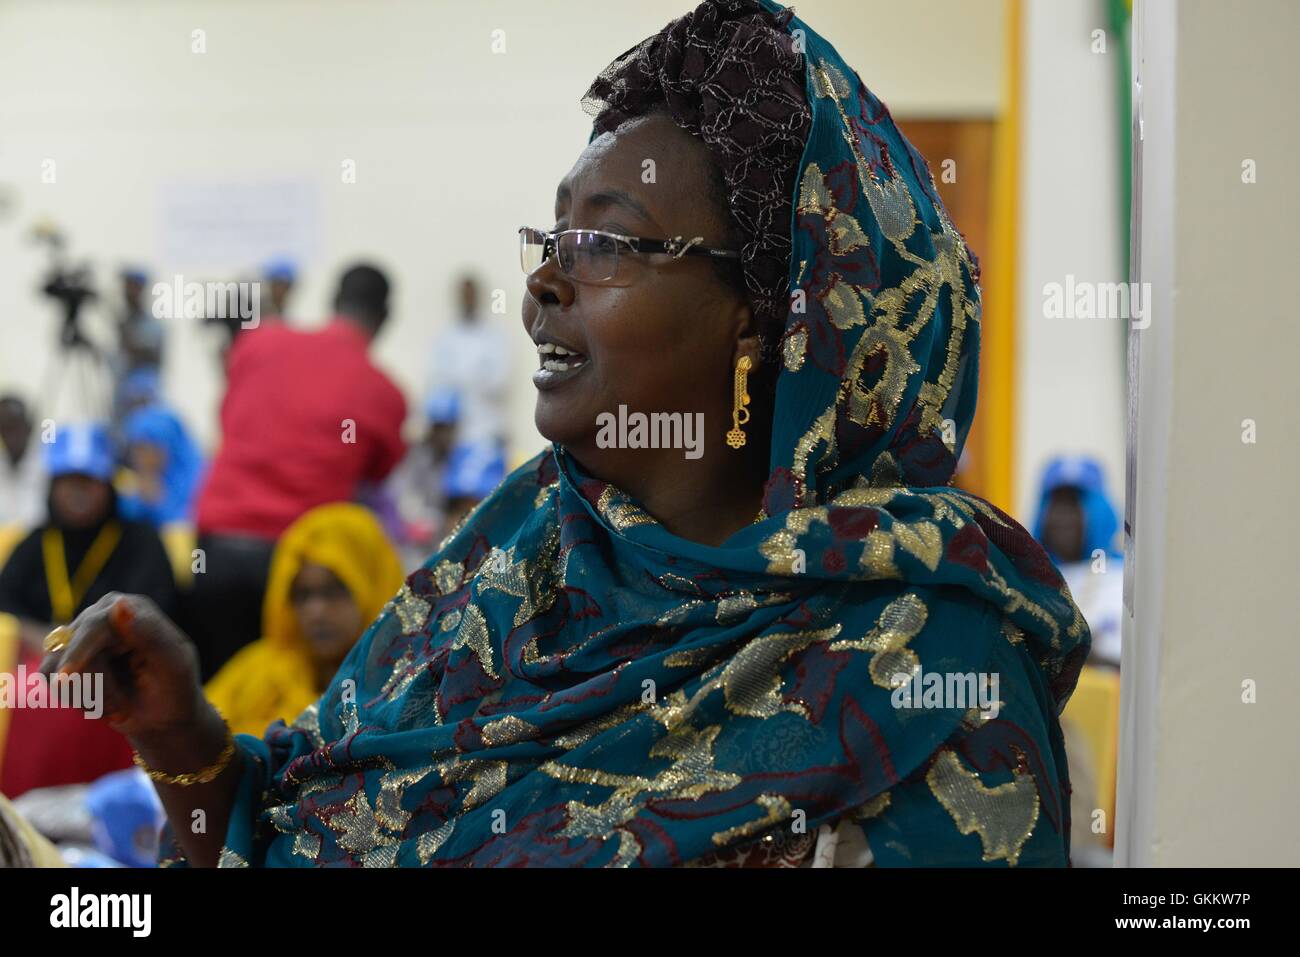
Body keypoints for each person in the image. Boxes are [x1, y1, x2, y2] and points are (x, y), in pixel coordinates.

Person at [40, 0, 1087, 868]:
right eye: (552, 236)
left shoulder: (925, 663)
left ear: (768, 321)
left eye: (606, 244)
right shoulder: (509, 564)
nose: (543, 280)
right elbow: (287, 833)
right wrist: (178, 732)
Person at [186, 263, 407, 680]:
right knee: (287, 706)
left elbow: (228, 418)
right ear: (385, 318)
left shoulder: (258, 343)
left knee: (218, 698)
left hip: (213, 551)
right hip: (297, 570)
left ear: (332, 300)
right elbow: (375, 476)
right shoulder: (384, 392)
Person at [0, 422, 176, 797]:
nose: (78, 492)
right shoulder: (35, 542)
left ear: (108, 485)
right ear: (52, 486)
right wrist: (49, 642)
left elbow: (155, 612)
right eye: (68, 481)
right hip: (38, 671)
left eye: (89, 481)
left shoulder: (140, 540)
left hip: (118, 668)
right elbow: (6, 603)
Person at [206, 503, 404, 737]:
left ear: (375, 585)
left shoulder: (406, 686)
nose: (315, 612)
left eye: (334, 590)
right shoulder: (258, 676)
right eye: (302, 595)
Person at [1032, 455, 1122, 665]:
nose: (1063, 516)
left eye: (1074, 503)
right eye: (1056, 503)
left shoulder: (1123, 581)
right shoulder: (1028, 579)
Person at [425, 274, 510, 452]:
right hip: (452, 436)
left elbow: (500, 381)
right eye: (464, 295)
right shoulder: (446, 336)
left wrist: (467, 381)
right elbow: (435, 378)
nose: (467, 299)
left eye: (470, 295)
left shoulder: (494, 337)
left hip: (486, 429)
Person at [116, 404, 206, 529]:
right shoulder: (128, 482)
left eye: (146, 448)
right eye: (135, 448)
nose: (139, 457)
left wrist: (159, 501)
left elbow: (193, 524)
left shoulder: (201, 478)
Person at [0, 396, 46, 547]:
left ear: (29, 427)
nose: (9, 434)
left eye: (14, 426)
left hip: (38, 548)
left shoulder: (48, 464)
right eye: (3, 427)